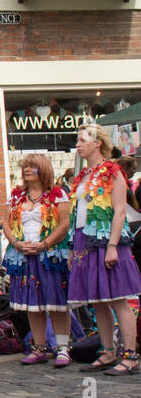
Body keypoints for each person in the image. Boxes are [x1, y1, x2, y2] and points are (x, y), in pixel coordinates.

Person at [68, 124, 141, 375]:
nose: (77, 145)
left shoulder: (113, 172)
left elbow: (120, 210)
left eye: (81, 140)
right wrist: (71, 249)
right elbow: (76, 215)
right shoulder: (84, 175)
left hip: (106, 240)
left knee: (118, 298)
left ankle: (130, 354)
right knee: (97, 299)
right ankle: (108, 350)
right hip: (83, 241)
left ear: (97, 143)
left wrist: (112, 245)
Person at [0, 153, 73, 367]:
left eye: (32, 166)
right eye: (25, 167)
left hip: (49, 255)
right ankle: (39, 347)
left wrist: (45, 244)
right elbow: (6, 223)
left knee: (56, 302)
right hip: (24, 255)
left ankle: (63, 348)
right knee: (33, 304)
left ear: (44, 169)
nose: (27, 170)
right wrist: (16, 243)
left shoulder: (58, 194)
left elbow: (64, 224)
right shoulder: (16, 196)